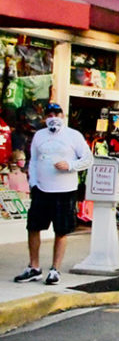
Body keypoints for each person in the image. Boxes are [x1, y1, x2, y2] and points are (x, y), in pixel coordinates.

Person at [14, 102, 93, 285]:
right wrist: (33, 183)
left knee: (61, 230)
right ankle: (34, 267)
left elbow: (88, 159)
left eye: (57, 114)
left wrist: (70, 165)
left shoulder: (73, 136)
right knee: (33, 227)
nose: (53, 118)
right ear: (45, 118)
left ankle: (55, 269)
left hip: (65, 190)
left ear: (63, 116)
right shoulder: (39, 136)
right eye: (50, 115)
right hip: (42, 190)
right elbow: (34, 161)